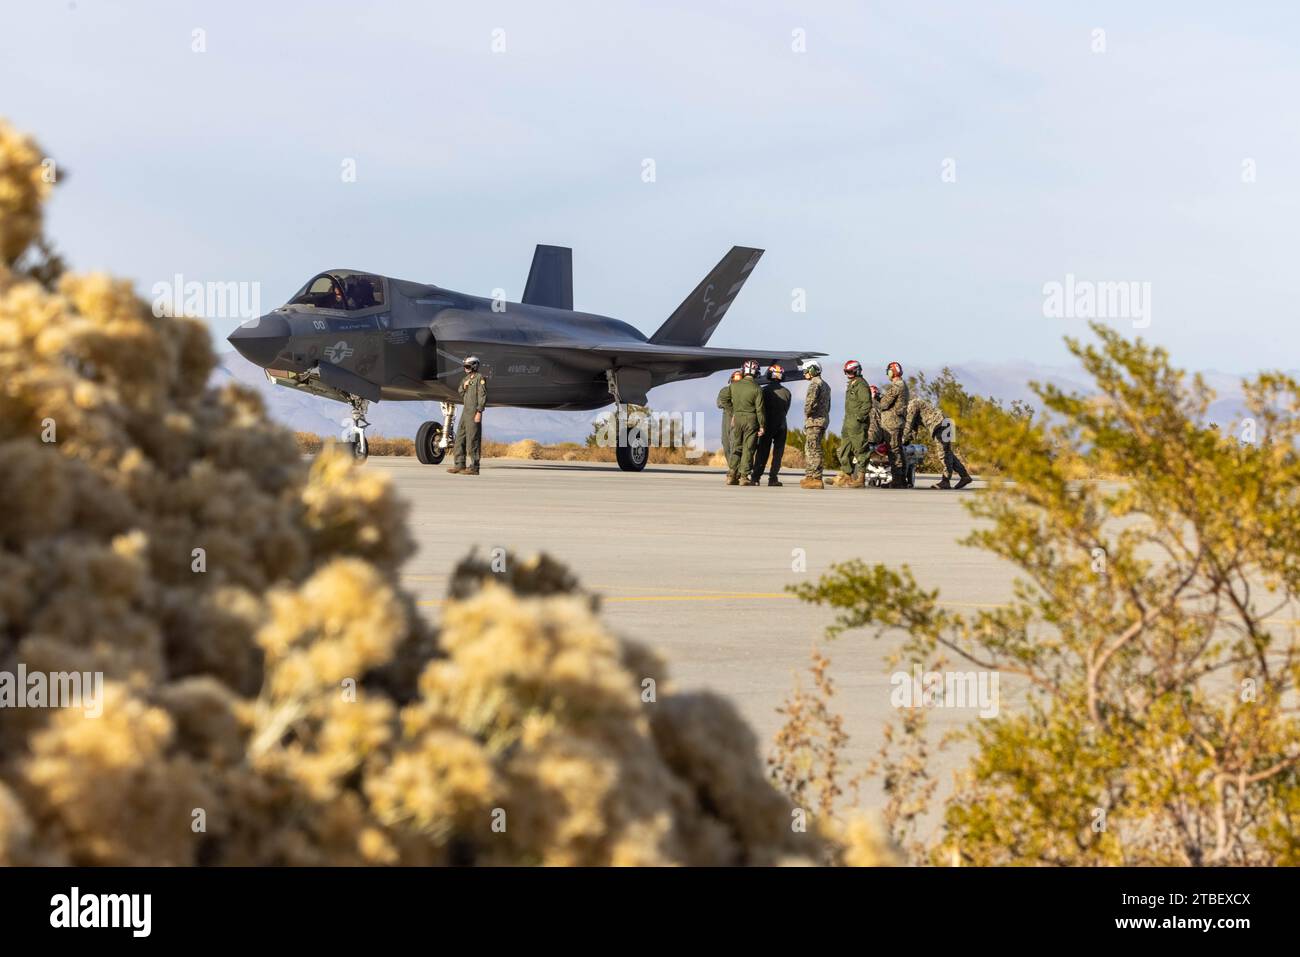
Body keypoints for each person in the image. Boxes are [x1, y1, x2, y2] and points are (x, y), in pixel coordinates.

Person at [906, 396, 973, 489]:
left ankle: (946, 481)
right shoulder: (916, 403)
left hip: (941, 425)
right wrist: (908, 439)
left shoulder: (912, 404)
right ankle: (964, 476)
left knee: (943, 453)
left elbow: (908, 425)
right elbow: (913, 429)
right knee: (947, 452)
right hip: (947, 422)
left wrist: (902, 440)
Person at [726, 359, 765, 486]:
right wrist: (762, 425)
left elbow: (723, 399)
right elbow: (760, 410)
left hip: (737, 418)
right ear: (756, 373)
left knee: (736, 447)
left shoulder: (734, 385)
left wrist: (732, 413)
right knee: (748, 448)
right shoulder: (757, 389)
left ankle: (731, 475)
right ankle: (744, 477)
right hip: (751, 420)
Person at [751, 364, 791, 486]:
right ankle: (773, 478)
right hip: (782, 424)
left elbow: (759, 408)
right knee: (778, 453)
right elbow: (786, 409)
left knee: (762, 451)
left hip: (767, 424)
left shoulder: (763, 391)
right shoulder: (787, 392)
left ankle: (755, 478)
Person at [448, 356, 487, 475]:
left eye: (468, 366)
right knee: (460, 438)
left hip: (474, 412)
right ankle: (459, 464)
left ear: (474, 366)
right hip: (465, 412)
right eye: (464, 366)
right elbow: (460, 391)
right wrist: (464, 386)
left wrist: (479, 412)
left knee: (473, 440)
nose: (465, 368)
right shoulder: (465, 378)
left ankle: (474, 467)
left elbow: (482, 396)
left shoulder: (479, 379)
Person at [836, 359, 871, 487]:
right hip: (848, 421)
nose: (848, 374)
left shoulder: (861, 384)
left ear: (857, 370)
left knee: (861, 449)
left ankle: (860, 478)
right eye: (846, 371)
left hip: (857, 423)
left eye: (850, 371)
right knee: (844, 449)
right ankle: (846, 476)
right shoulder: (852, 383)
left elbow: (867, 404)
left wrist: (859, 418)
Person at [878, 361, 910, 488]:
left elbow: (884, 404)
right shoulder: (903, 385)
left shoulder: (897, 386)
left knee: (894, 452)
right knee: (899, 451)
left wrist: (879, 399)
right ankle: (902, 479)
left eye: (888, 371)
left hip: (892, 423)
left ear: (892, 372)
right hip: (897, 422)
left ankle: (897, 480)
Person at [799, 360, 831, 489]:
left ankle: (816, 478)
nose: (804, 373)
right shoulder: (826, 385)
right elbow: (828, 406)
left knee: (813, 449)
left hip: (814, 421)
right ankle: (810, 476)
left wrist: (807, 415)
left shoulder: (814, 384)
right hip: (822, 420)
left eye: (806, 371)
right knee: (811, 448)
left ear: (812, 370)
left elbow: (809, 404)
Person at [717, 371, 741, 462]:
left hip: (739, 417)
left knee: (735, 443)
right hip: (727, 416)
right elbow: (719, 403)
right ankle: (731, 466)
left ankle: (735, 467)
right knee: (725, 442)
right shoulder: (725, 390)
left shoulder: (744, 392)